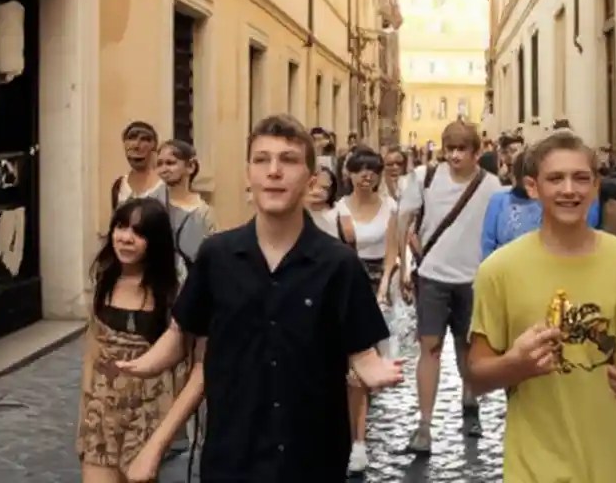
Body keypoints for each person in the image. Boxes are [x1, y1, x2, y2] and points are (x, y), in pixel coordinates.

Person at [115, 115, 404, 481]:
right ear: (248, 175)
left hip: (312, 459)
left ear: (311, 179)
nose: (274, 171)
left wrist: (373, 369)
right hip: (232, 456)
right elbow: (181, 332)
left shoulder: (339, 264)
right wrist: (145, 363)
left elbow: (362, 352)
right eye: (262, 160)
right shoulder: (217, 256)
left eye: (289, 160)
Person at [467, 130, 616, 482]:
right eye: (555, 178)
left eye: (580, 178)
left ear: (595, 187)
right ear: (533, 187)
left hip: (614, 462)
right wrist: (515, 364)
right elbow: (477, 375)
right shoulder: (499, 270)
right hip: (535, 465)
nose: (569, 190)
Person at [397, 119, 505, 452]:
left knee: (467, 349)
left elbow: (499, 234)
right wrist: (401, 264)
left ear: (476, 152)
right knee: (429, 349)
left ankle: (470, 404)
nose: (455, 156)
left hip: (474, 279)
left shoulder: (492, 186)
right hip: (432, 276)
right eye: (450, 149)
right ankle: (424, 425)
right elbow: (403, 220)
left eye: (462, 149)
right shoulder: (424, 178)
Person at [76, 198, 182, 482]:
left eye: (138, 233)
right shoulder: (104, 281)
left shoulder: (168, 294)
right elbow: (93, 349)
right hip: (101, 413)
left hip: (145, 415)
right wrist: (85, 416)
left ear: (155, 241)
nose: (126, 238)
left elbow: (178, 362)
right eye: (121, 227)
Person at [335, 147, 399, 473]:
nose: (366, 175)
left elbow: (392, 253)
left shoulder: (390, 208)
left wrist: (386, 285)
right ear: (349, 173)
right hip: (343, 284)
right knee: (346, 367)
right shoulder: (338, 209)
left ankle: (358, 440)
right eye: (360, 169)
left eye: (372, 169)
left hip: (375, 287)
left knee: (363, 365)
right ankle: (349, 436)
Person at [155, 139, 217, 281]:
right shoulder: (151, 204)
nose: (164, 169)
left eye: (170, 163)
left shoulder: (204, 212)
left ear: (190, 166)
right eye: (159, 164)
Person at [111, 121, 164, 209]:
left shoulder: (164, 184)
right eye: (131, 138)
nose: (137, 145)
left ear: (154, 146)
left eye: (144, 139)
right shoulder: (119, 186)